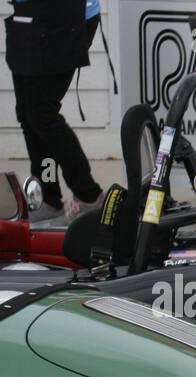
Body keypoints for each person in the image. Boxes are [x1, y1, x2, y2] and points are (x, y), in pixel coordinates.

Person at [6, 0, 104, 224]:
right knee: (28, 114)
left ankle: (89, 195)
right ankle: (49, 198)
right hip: (29, 17)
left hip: (61, 19)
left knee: (41, 112)